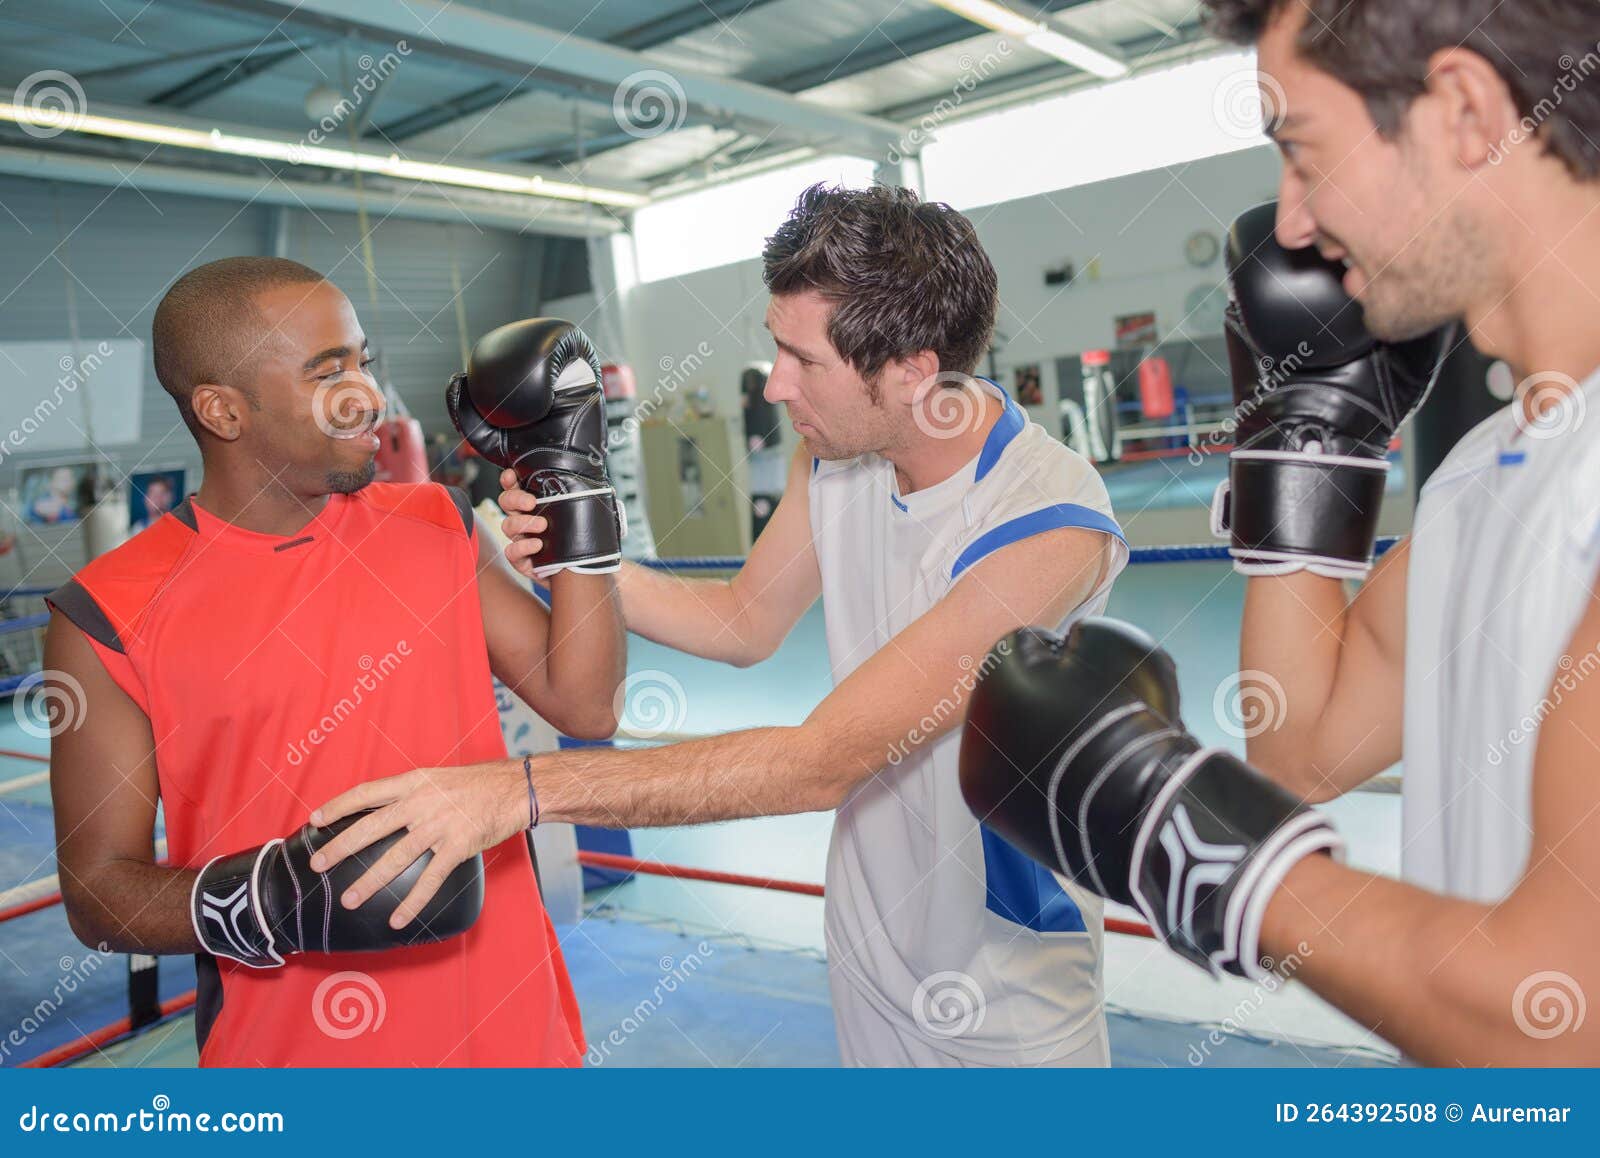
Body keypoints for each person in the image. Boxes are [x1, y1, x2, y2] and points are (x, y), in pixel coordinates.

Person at [309, 184, 1130, 1067]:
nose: (775, 383)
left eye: (800, 359)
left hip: (1003, 987)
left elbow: (825, 760)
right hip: (867, 940)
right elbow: (742, 621)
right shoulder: (842, 455)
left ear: (913, 372)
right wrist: (574, 555)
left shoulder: (1046, 522)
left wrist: (522, 789)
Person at [960, 0, 1600, 1064]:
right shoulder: (1487, 479)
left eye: (1302, 153)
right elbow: (1305, 745)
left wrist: (1172, 832)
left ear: (1462, 111)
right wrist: (1306, 442)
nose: (1290, 222)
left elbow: (1562, 1007)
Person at [44, 257, 624, 1066]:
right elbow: (99, 894)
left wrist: (575, 491)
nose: (367, 398)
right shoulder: (107, 610)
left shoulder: (436, 523)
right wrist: (269, 899)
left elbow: (588, 707)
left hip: (514, 1038)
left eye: (362, 362)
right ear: (223, 410)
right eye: (327, 373)